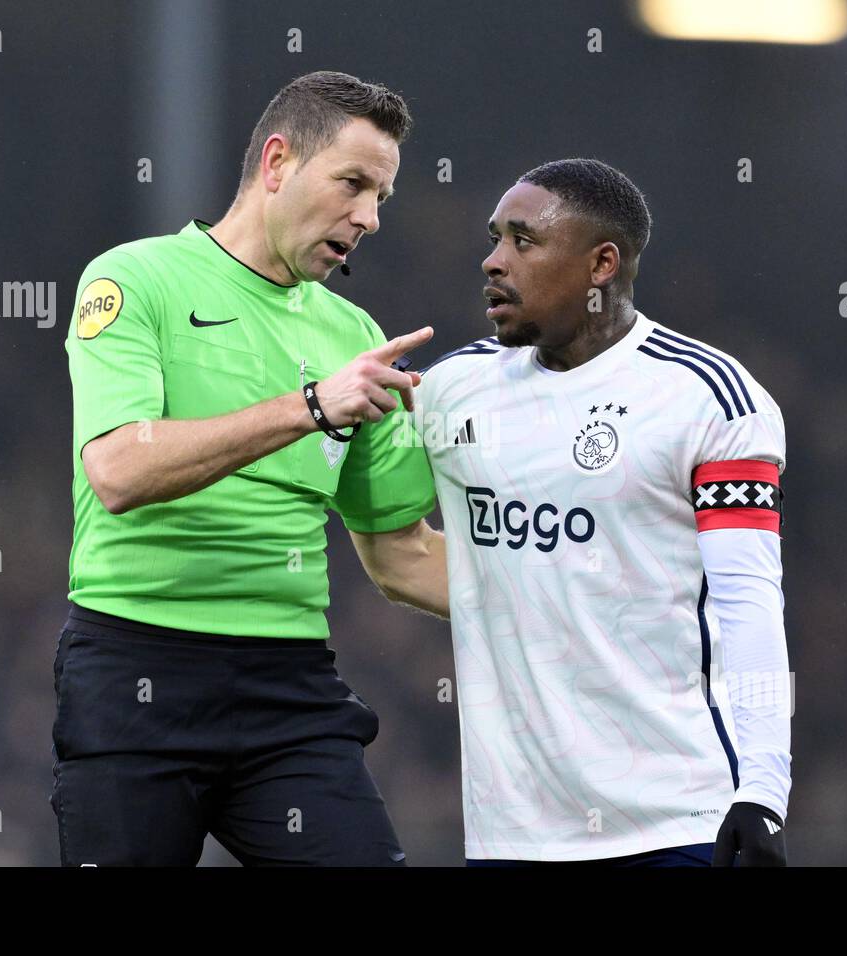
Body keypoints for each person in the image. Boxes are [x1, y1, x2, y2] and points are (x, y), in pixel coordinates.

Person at [52, 71, 448, 866]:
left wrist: (574, 599)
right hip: (138, 673)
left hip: (287, 689)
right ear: (277, 163)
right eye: (353, 184)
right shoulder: (135, 280)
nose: (368, 217)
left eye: (382, 198)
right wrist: (308, 406)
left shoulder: (355, 335)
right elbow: (120, 473)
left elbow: (405, 556)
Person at [408, 158, 792, 866]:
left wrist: (763, 790)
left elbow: (748, 603)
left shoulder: (710, 400)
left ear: (601, 264)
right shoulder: (445, 392)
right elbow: (383, 532)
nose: (493, 261)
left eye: (523, 241)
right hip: (510, 834)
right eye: (494, 239)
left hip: (675, 824)